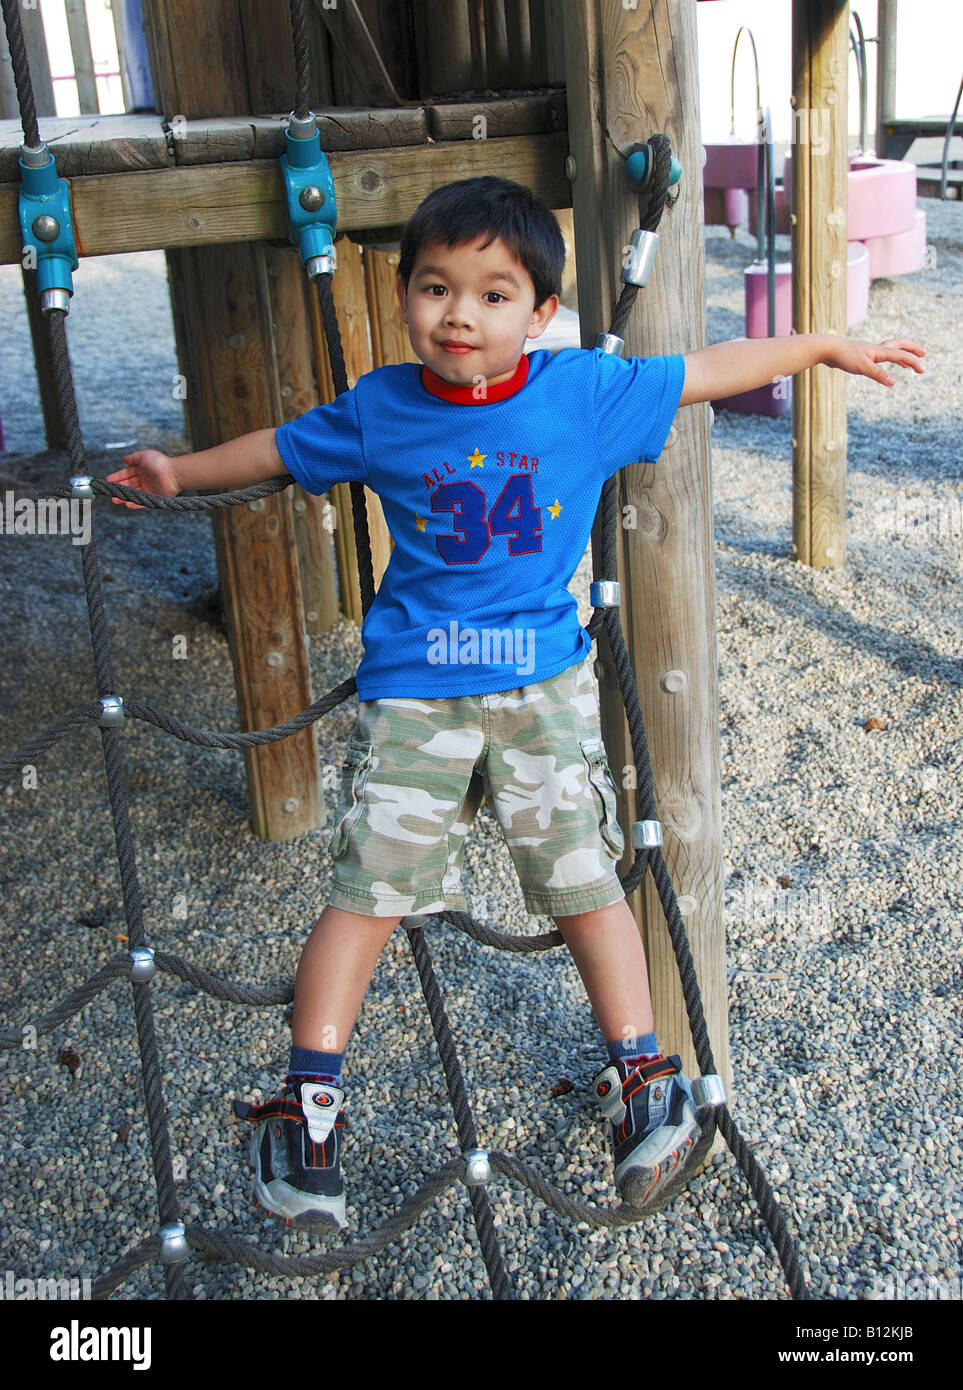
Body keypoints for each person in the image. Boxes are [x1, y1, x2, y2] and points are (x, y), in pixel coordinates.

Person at [108, 176, 924, 1230]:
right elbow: (278, 448)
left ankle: (639, 1072)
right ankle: (308, 1110)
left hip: (542, 692)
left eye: (494, 294)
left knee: (587, 876)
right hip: (415, 699)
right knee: (369, 889)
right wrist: (179, 472)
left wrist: (816, 346)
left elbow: (706, 371)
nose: (460, 313)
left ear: (541, 315)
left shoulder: (582, 391)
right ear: (403, 296)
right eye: (436, 287)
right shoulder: (382, 408)